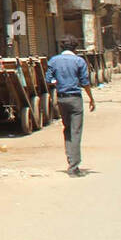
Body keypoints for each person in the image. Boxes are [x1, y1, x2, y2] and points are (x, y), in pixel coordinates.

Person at [46, 36, 96, 176]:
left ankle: (71, 160)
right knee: (76, 132)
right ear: (75, 48)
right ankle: (74, 167)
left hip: (61, 99)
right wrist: (91, 98)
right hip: (75, 99)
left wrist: (58, 83)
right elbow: (85, 82)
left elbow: (48, 80)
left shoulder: (54, 60)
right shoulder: (79, 61)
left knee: (67, 130)